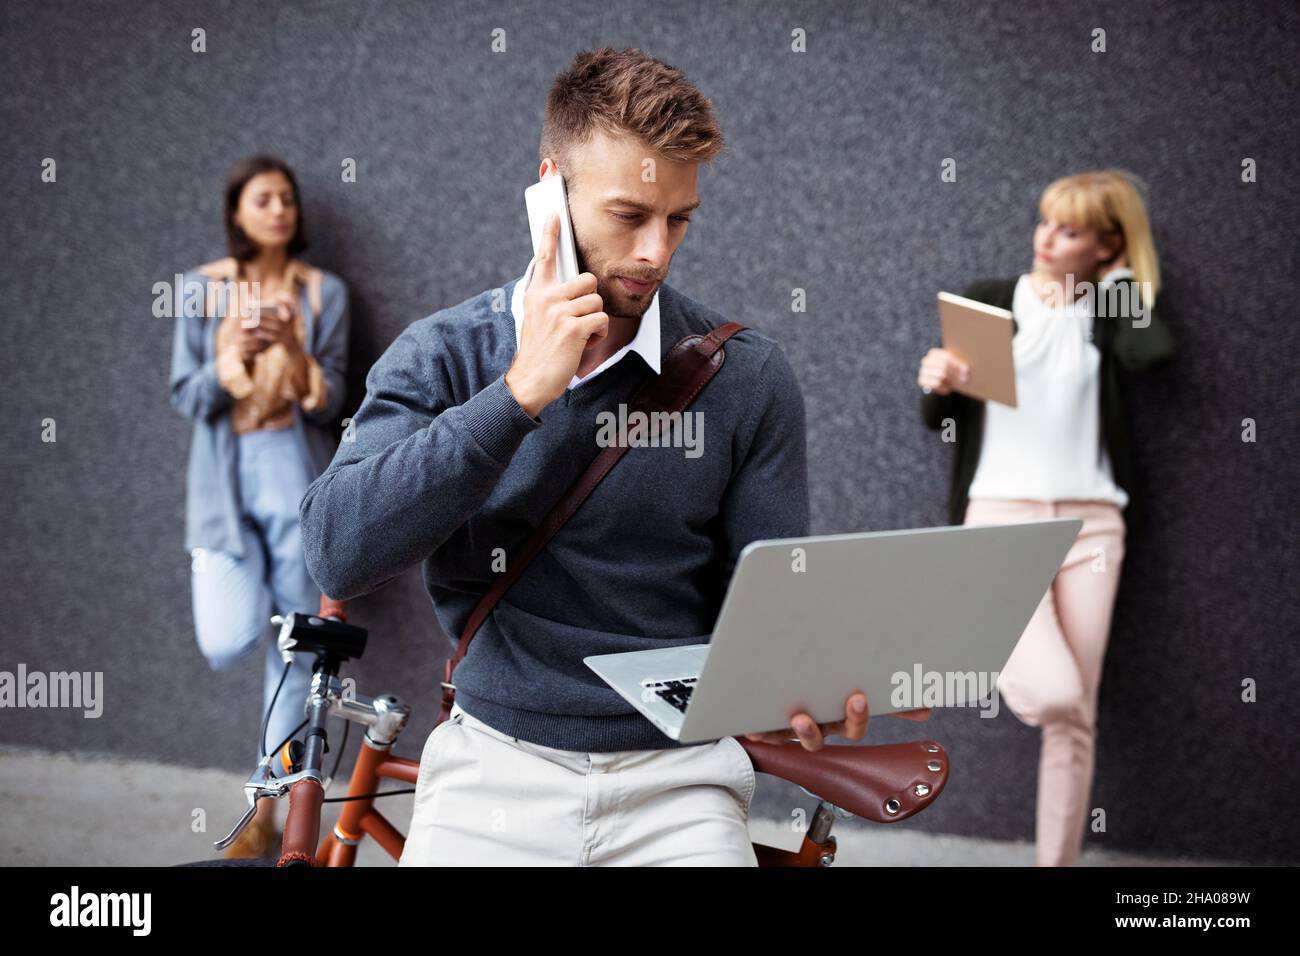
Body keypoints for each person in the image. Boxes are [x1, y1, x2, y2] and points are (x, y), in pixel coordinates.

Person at [301, 47, 925, 867]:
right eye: (630, 214)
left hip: (683, 781)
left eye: (679, 219)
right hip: (494, 766)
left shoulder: (747, 377)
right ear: (551, 187)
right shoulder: (446, 356)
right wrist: (517, 395)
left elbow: (769, 602)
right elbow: (338, 553)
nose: (654, 253)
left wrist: (804, 679)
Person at [916, 168, 1176, 865]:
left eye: (1069, 230)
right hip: (1001, 515)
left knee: (1076, 719)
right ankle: (976, 627)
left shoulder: (1111, 310)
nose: (1047, 239)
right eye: (1045, 222)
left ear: (1107, 243)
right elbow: (937, 416)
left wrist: (1120, 281)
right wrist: (937, 378)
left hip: (1094, 526)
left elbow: (1155, 355)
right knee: (1058, 693)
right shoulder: (992, 301)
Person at [169, 155, 351, 858]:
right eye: (262, 199)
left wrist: (295, 350)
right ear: (237, 211)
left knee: (295, 651)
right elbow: (187, 395)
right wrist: (229, 357)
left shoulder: (322, 293)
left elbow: (335, 398)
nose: (278, 210)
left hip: (292, 467)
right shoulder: (199, 290)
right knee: (227, 638)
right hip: (223, 476)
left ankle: (264, 810)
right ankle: (266, 806)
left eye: (286, 199)